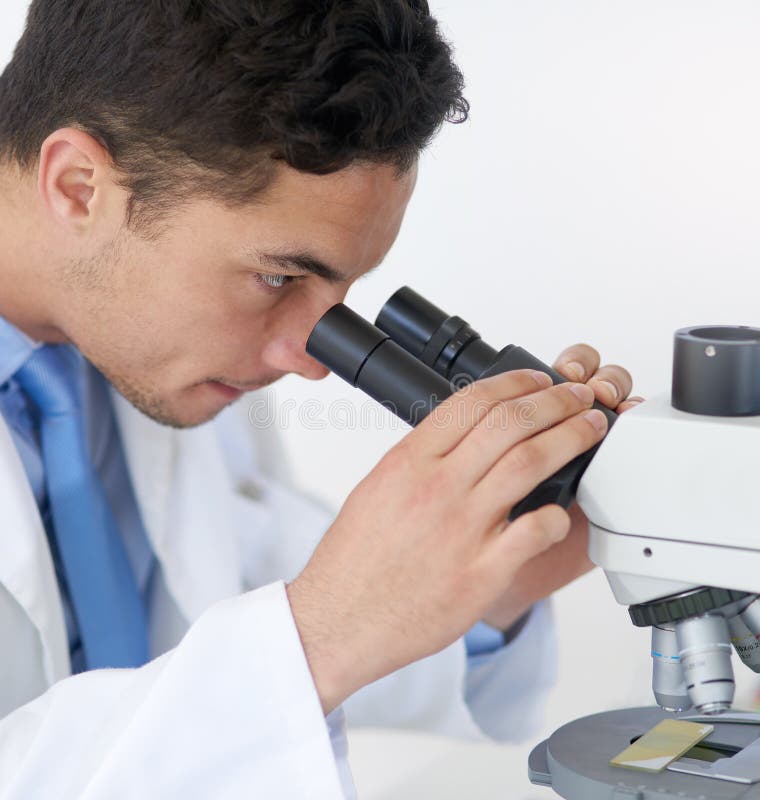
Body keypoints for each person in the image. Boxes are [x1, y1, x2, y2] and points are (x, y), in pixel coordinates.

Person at [0, 1, 638, 797]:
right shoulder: (171, 346)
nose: (309, 359)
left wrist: (504, 565)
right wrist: (317, 637)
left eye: (342, 292)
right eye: (278, 277)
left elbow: (229, 607)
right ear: (79, 185)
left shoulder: (149, 352)